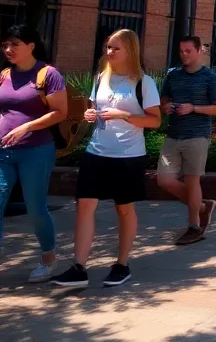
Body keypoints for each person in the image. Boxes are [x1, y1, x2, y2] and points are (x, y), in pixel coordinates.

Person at [51, 29, 161, 289]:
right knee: (84, 205)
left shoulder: (143, 83)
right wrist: (90, 114)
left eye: (115, 48)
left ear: (130, 51)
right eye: (108, 47)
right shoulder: (101, 77)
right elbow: (94, 108)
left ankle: (122, 264)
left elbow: (155, 120)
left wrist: (124, 115)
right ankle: (79, 268)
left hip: (128, 155)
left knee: (124, 208)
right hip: (97, 151)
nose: (109, 52)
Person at [0, 25, 67, 283]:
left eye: (14, 44)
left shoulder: (48, 74)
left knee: (36, 207)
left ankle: (48, 257)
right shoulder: (4, 75)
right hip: (4, 151)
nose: (8, 49)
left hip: (36, 151)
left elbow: (60, 112)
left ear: (31, 45)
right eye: (5, 45)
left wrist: (26, 127)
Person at [156, 35, 216, 246]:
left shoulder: (210, 77)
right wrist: (165, 107)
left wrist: (193, 108)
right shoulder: (173, 75)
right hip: (173, 133)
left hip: (197, 135)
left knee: (192, 180)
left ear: (199, 51)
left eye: (188, 51)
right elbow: (162, 101)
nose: (184, 55)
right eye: (181, 51)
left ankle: (194, 226)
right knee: (164, 179)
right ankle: (203, 206)